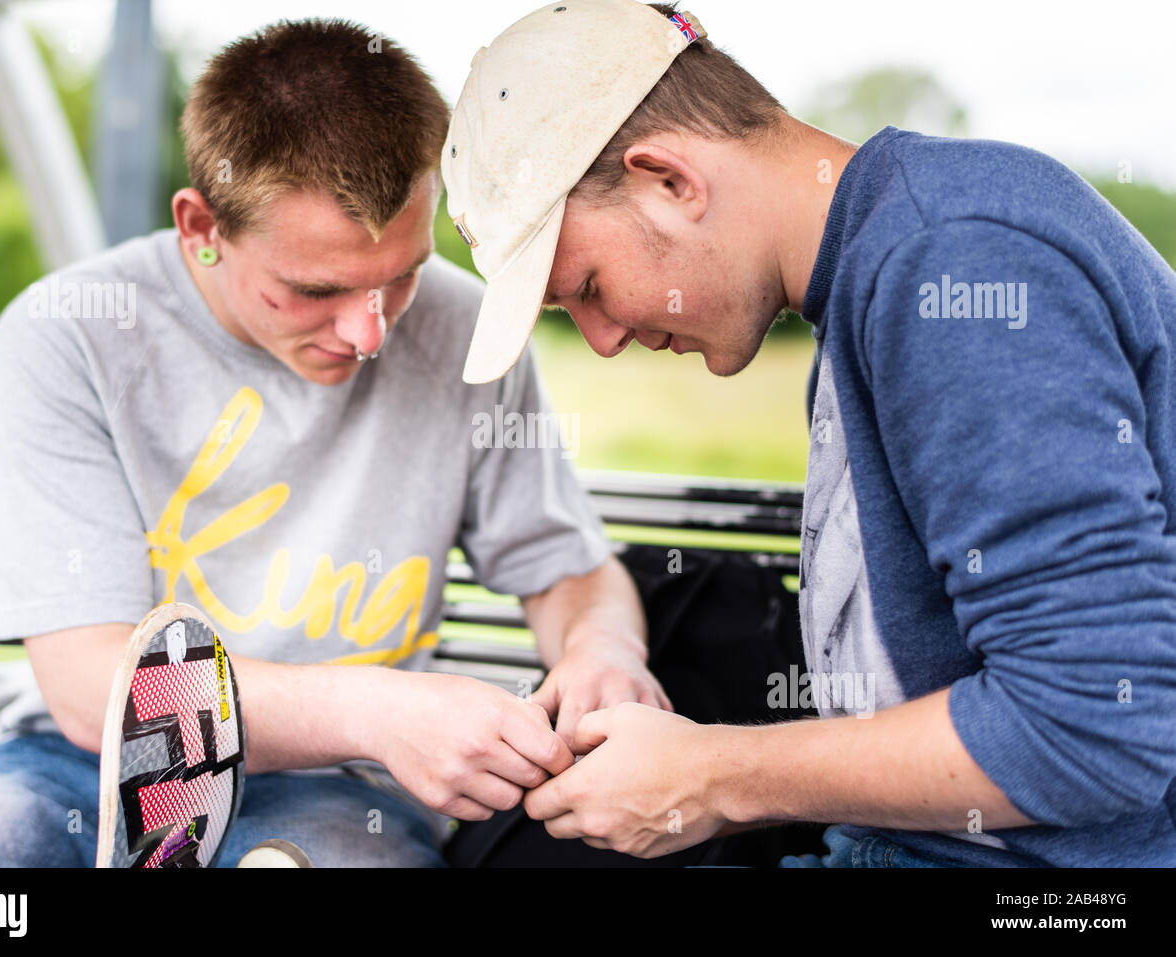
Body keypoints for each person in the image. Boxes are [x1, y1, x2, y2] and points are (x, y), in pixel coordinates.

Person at [0, 17, 670, 868]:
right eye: (314, 289)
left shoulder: (463, 332)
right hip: (78, 765)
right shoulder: (67, 336)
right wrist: (380, 711)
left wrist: (603, 651)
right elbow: (84, 686)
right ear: (200, 228)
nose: (370, 332)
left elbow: (568, 574)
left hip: (339, 792)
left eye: (400, 275)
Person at [441, 0, 1176, 866]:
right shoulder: (875, 269)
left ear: (668, 181)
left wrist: (710, 776)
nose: (601, 339)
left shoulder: (950, 264)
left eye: (590, 287)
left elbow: (1095, 725)